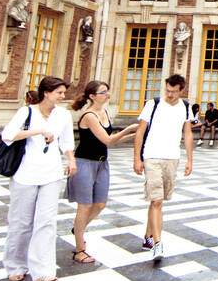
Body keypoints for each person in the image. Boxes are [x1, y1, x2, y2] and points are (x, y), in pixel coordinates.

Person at [1, 76, 76, 281]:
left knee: (47, 221)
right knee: (21, 221)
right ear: (46, 92)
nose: (63, 96)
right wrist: (40, 130)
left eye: (63, 92)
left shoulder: (63, 115)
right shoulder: (27, 112)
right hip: (25, 173)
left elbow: (67, 142)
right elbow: (7, 135)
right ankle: (15, 264)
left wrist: (71, 160)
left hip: (52, 173)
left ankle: (43, 269)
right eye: (59, 92)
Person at [68, 80, 137, 265]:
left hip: (101, 163)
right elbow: (107, 139)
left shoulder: (105, 112)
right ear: (92, 96)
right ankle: (79, 249)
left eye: (107, 91)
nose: (107, 94)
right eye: (103, 92)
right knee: (85, 206)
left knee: (100, 204)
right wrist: (129, 129)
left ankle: (78, 229)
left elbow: (111, 141)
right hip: (84, 163)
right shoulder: (89, 115)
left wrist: (132, 136)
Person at [133, 74, 192, 263]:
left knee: (158, 201)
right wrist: (137, 158)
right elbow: (140, 131)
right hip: (152, 156)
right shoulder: (153, 104)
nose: (170, 94)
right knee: (157, 200)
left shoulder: (186, 107)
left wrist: (189, 160)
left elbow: (188, 134)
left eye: (174, 91)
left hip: (172, 157)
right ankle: (158, 244)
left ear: (181, 90)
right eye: (167, 90)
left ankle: (148, 237)